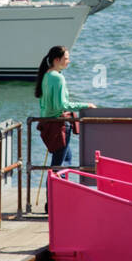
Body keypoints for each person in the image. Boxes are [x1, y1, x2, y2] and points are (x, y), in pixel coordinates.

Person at [35, 45, 96, 173]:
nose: (69, 61)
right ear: (57, 60)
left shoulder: (46, 75)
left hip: (48, 123)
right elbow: (62, 105)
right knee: (58, 166)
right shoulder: (58, 78)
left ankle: (56, 185)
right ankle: (53, 186)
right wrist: (86, 105)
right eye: (66, 58)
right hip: (59, 125)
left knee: (66, 158)